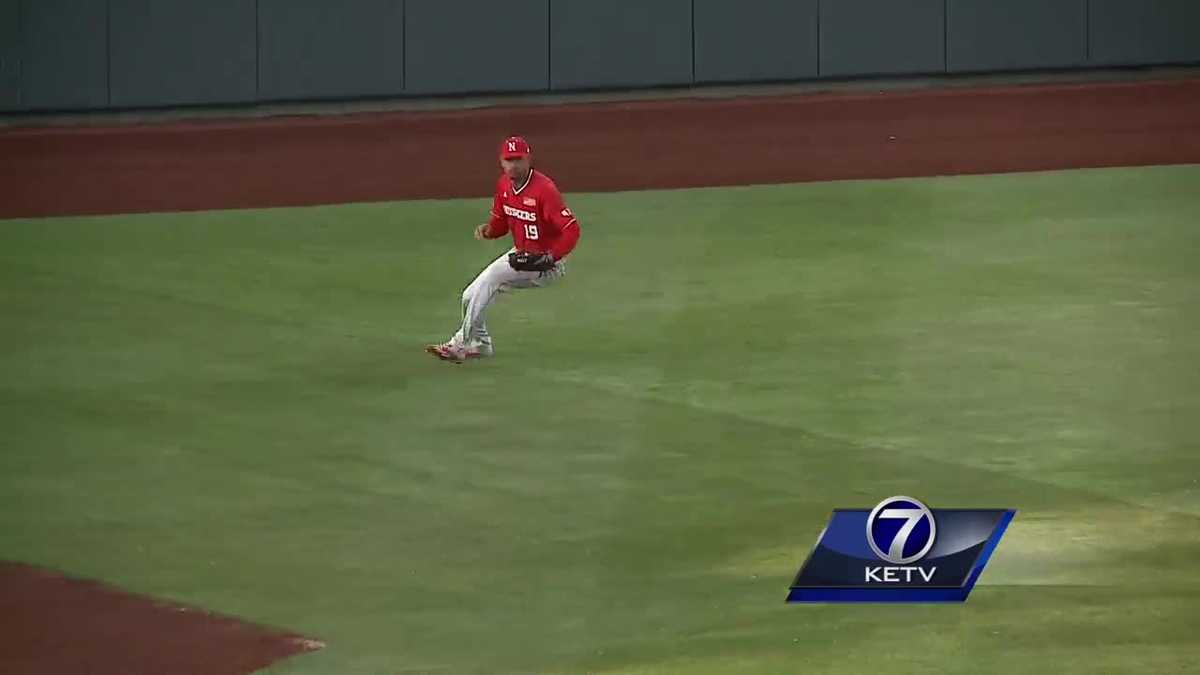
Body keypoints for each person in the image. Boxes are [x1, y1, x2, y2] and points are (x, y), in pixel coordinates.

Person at [426, 136, 580, 362]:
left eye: (518, 159)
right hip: (520, 256)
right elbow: (501, 224)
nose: (513, 165)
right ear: (501, 162)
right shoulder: (504, 186)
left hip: (547, 265)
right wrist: (488, 231)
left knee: (492, 279)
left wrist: (551, 257)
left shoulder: (544, 190)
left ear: (528, 159)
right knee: (470, 296)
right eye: (509, 160)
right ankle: (481, 345)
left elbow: (572, 230)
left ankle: (458, 344)